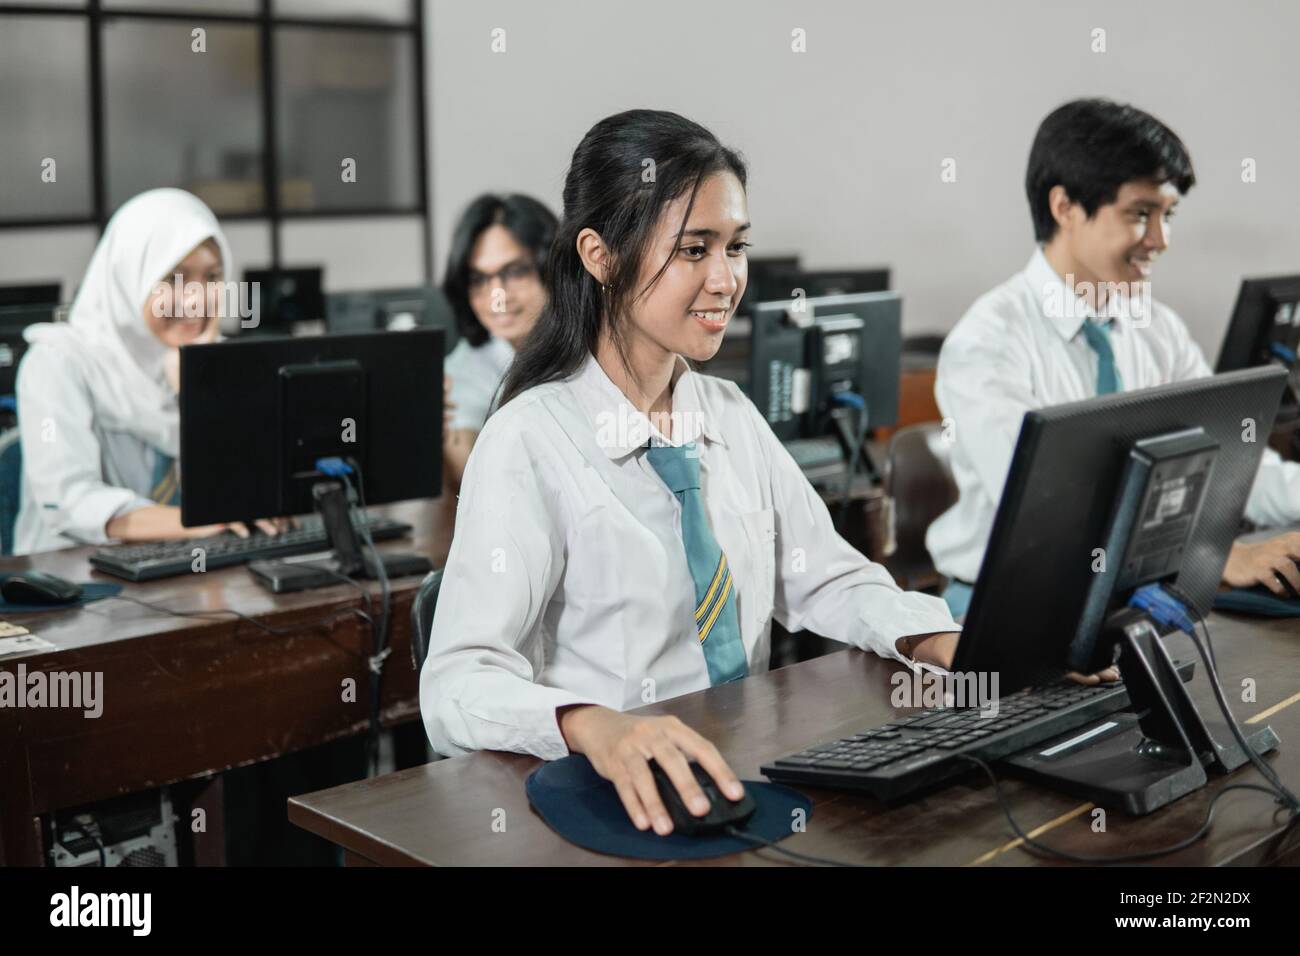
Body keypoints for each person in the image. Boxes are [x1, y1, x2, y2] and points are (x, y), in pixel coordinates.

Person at [420, 109, 972, 837]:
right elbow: (456, 684)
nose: (725, 280)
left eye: (736, 247)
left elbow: (827, 578)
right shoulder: (528, 440)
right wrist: (594, 727)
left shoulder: (729, 415)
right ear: (600, 254)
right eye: (694, 250)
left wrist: (934, 639)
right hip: (616, 797)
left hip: (741, 769)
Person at [928, 99, 1300, 617]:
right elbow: (1051, 516)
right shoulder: (987, 342)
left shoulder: (1158, 328)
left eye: (1167, 215)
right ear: (1065, 208)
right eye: (1140, 215)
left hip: (1129, 599)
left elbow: (1227, 466)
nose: (1160, 240)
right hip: (1008, 612)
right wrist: (1211, 556)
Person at [14, 187, 281, 554]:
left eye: (212, 277)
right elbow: (68, 503)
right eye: (174, 278)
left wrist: (196, 388)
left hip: (186, 573)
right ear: (129, 275)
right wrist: (196, 522)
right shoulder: (58, 363)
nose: (196, 299)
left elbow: (242, 486)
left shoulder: (213, 358)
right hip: (70, 582)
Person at [440, 193, 557, 489]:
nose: (497, 297)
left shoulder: (600, 345)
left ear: (553, 268)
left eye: (515, 272)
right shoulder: (467, 364)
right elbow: (470, 474)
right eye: (479, 279)